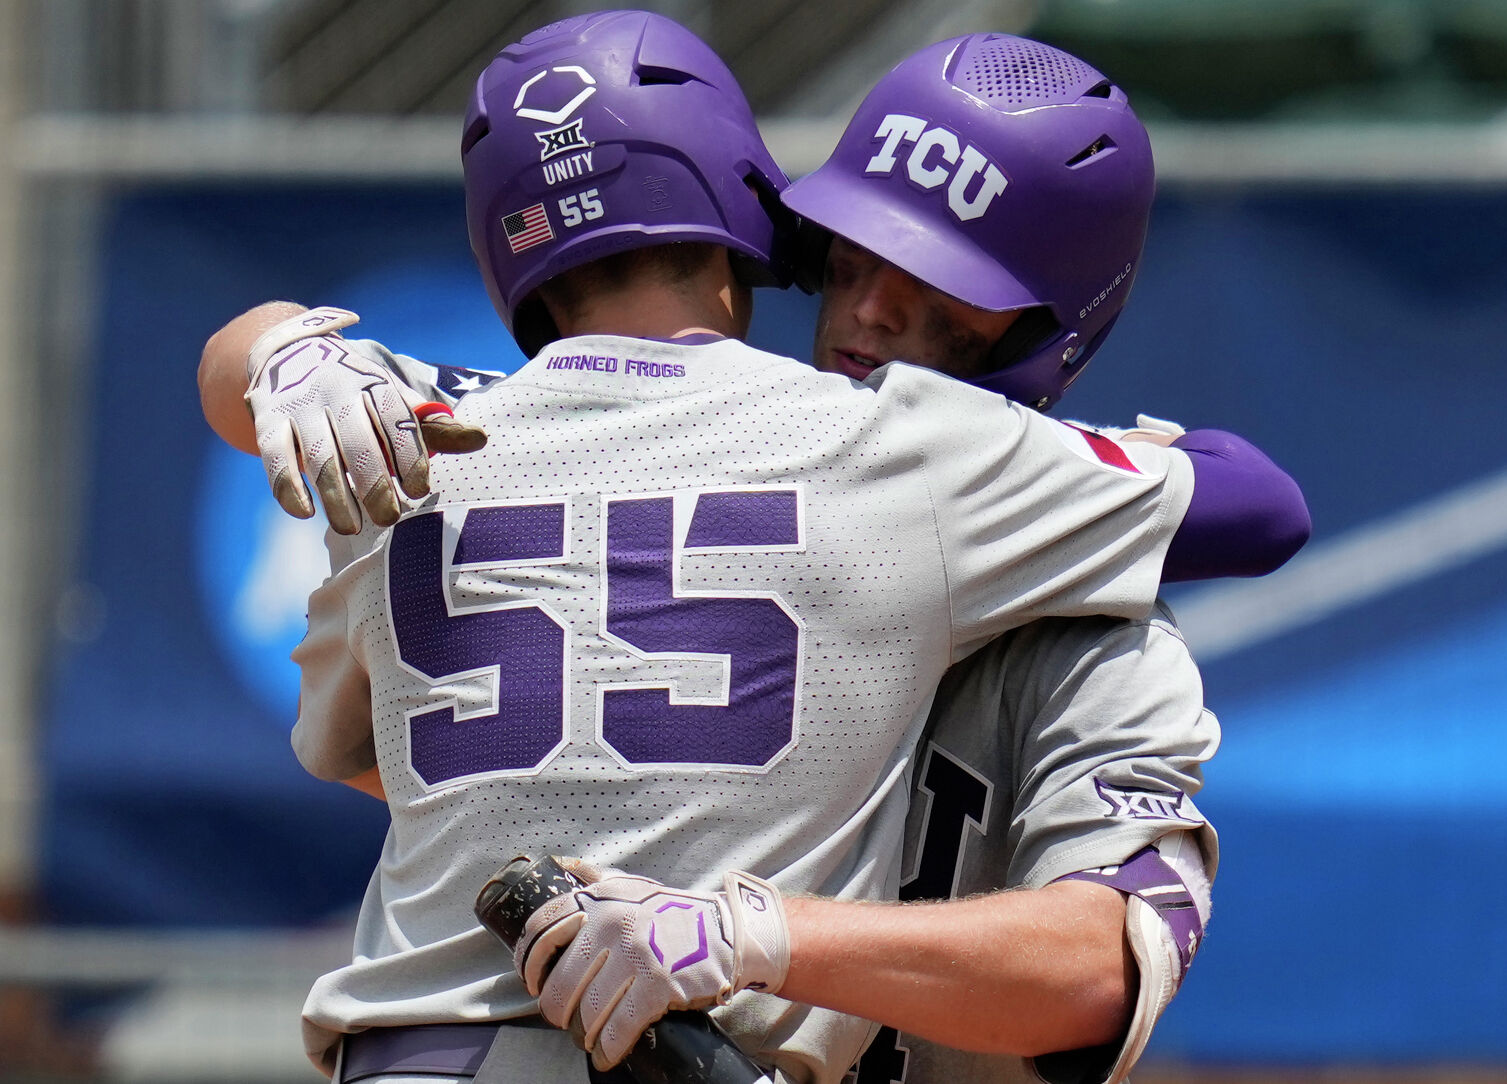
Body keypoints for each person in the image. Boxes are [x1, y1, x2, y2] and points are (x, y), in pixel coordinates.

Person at [194, 12, 1308, 1084]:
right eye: (849, 255)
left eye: (942, 302)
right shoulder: (856, 447)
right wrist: (279, 350)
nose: (868, 318)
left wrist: (757, 931)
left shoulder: (1083, 613)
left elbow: (1100, 965)